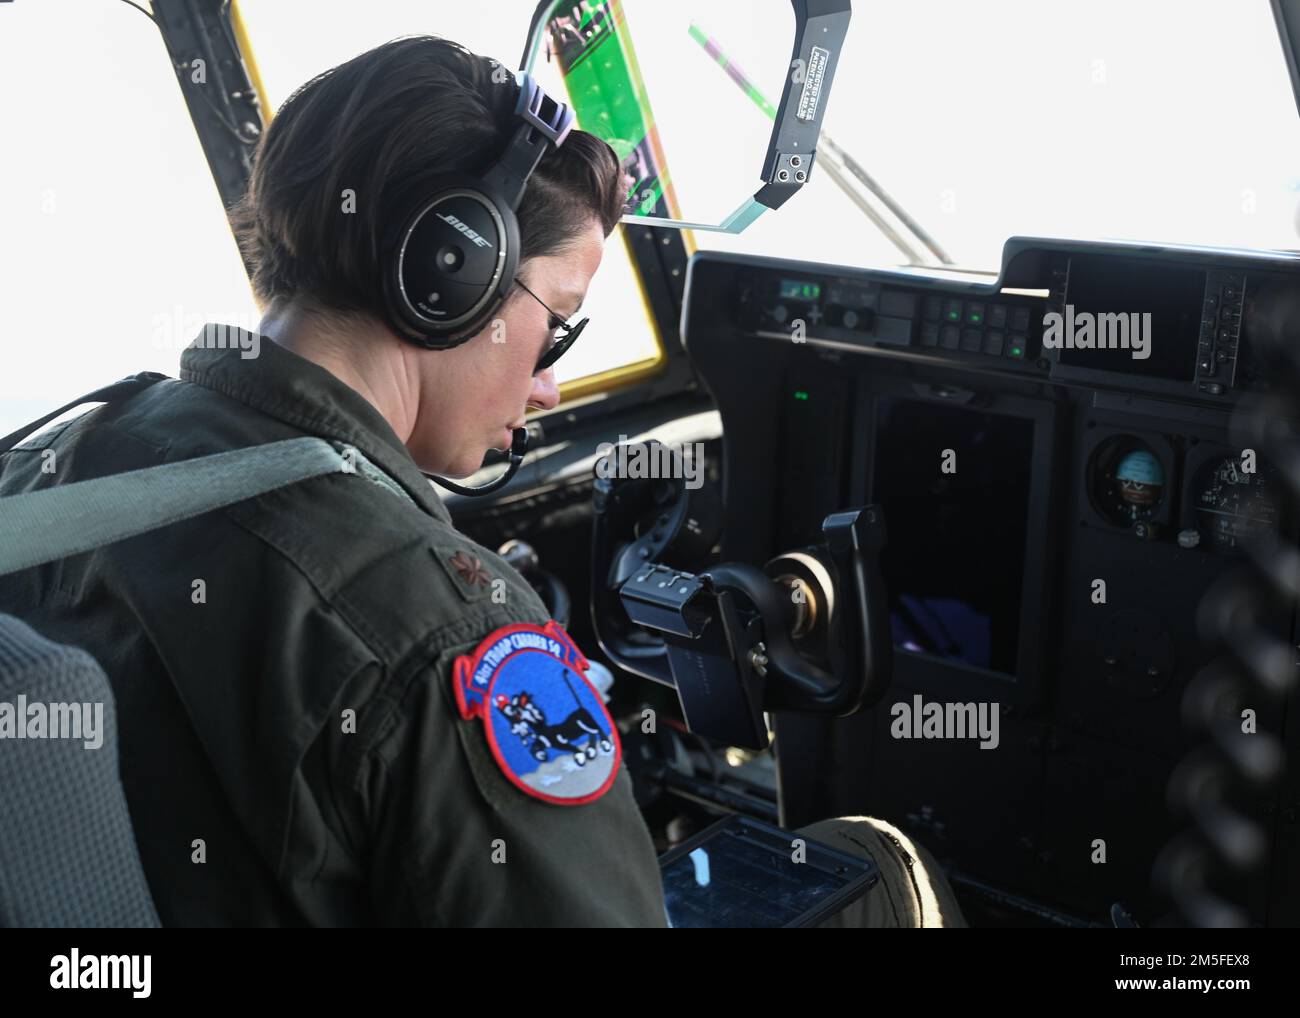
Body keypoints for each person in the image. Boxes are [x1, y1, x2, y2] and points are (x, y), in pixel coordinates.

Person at [0, 35, 963, 927]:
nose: (548, 383)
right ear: (451, 272)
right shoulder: (452, 639)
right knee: (877, 868)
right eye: (560, 324)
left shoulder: (64, 461)